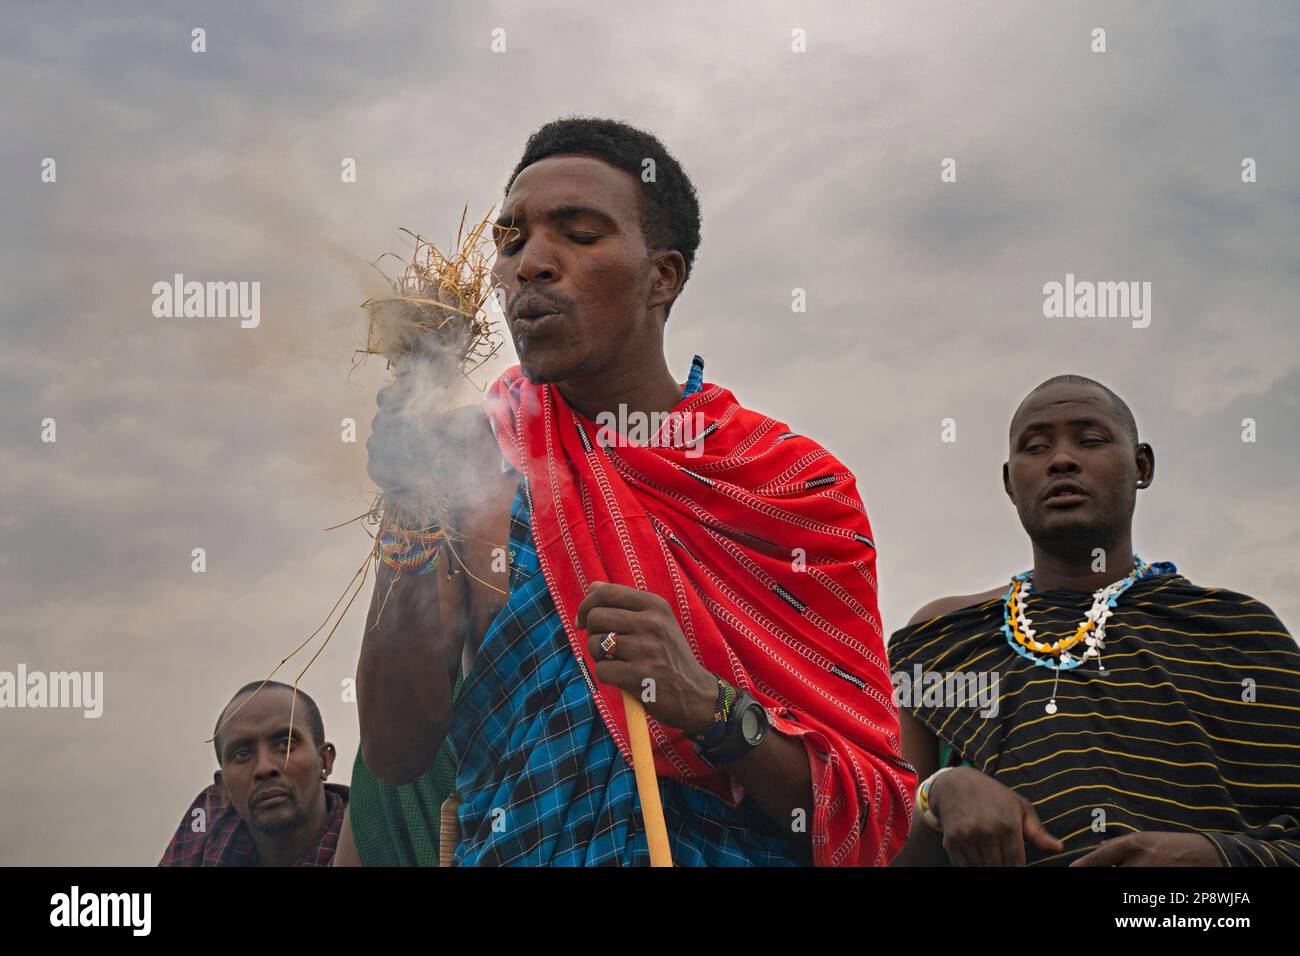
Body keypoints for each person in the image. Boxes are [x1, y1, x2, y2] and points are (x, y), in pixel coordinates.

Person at [353, 116, 914, 866]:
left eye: (579, 235)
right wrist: (412, 501)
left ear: (664, 276)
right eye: (511, 241)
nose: (531, 265)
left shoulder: (791, 485)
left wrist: (711, 710)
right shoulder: (474, 464)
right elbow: (395, 750)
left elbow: (873, 809)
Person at [889, 375, 1300, 866]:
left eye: (1091, 440)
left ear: (1142, 466)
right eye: (1035, 447)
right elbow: (877, 836)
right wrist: (940, 793)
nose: (1061, 459)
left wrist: (1215, 858)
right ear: (1009, 482)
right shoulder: (944, 636)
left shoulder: (1235, 631)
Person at [160, 681, 347, 866]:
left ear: (324, 760)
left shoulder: (368, 837)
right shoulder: (203, 835)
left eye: (286, 744)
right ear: (223, 789)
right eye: (242, 754)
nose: (264, 768)